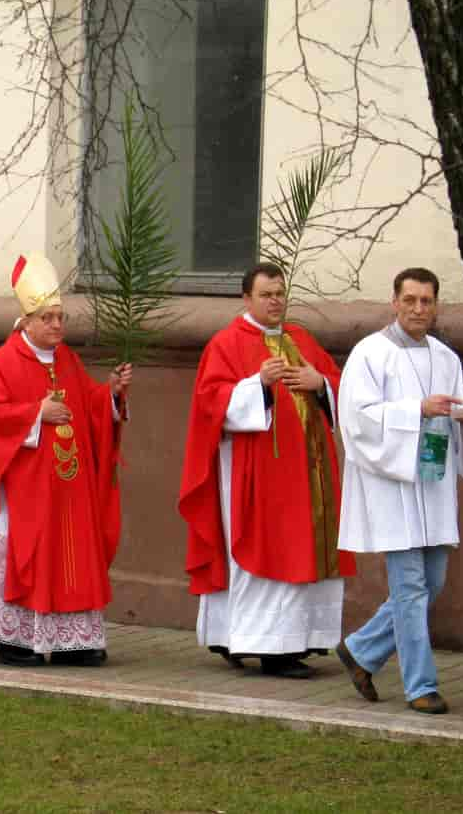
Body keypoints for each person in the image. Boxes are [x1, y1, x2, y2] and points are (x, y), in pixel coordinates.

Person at [0, 253, 131, 667]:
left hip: (67, 488)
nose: (56, 325)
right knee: (22, 554)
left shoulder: (68, 360)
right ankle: (13, 641)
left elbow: (89, 405)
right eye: (47, 318)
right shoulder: (0, 363)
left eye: (60, 317)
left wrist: (112, 393)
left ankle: (74, 641)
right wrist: (36, 413)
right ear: (26, 320)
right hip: (23, 491)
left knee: (72, 553)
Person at [178, 262, 356, 678]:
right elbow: (210, 404)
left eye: (280, 293)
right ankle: (270, 648)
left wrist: (322, 384)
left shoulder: (301, 339)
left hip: (307, 475)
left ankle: (295, 641)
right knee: (265, 551)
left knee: (302, 551)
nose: (276, 301)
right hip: (255, 477)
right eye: (266, 294)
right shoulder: (226, 344)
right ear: (247, 299)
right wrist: (256, 385)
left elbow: (334, 381)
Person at [335, 267, 463, 714]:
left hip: (432, 483)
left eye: (427, 301)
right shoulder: (370, 353)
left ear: (436, 305)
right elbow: (356, 418)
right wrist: (415, 409)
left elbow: (456, 401)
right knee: (411, 587)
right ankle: (421, 686)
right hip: (392, 485)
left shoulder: (445, 357)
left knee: (429, 584)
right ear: (395, 302)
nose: (419, 309)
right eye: (411, 300)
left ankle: (361, 650)